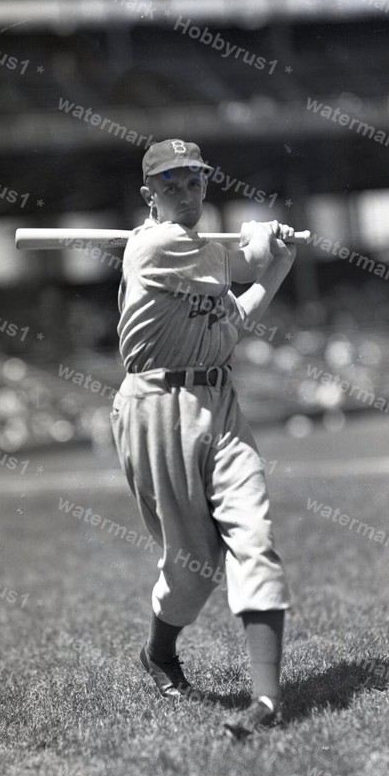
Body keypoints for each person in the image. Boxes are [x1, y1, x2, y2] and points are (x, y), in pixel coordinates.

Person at [110, 139, 297, 737]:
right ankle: (160, 653)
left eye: (194, 182)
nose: (186, 194)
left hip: (218, 399)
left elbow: (232, 324)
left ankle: (266, 702)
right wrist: (257, 247)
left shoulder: (196, 250)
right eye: (171, 186)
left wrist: (280, 265)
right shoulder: (156, 245)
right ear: (150, 197)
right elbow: (231, 271)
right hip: (156, 405)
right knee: (193, 571)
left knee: (254, 532)